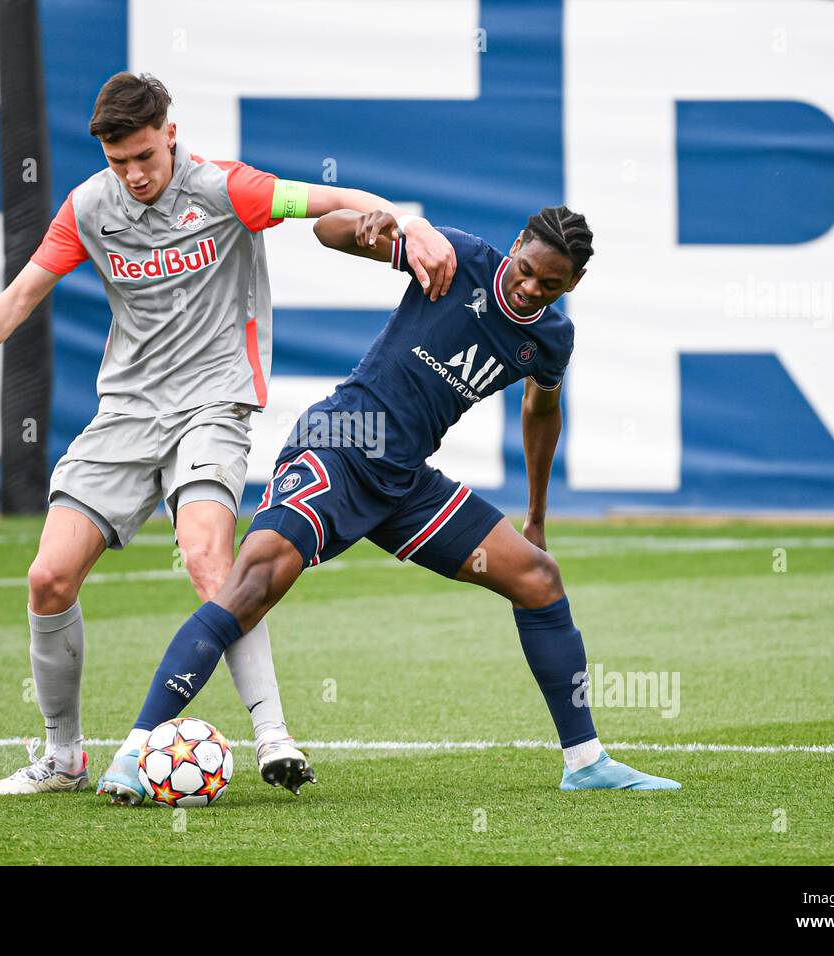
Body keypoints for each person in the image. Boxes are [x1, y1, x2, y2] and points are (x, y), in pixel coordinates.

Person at [0, 72, 457, 802]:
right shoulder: (88, 208)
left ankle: (273, 734)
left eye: (144, 155)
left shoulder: (227, 190)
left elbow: (332, 201)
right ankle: (64, 757)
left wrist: (407, 223)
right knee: (47, 578)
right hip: (127, 414)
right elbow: (20, 296)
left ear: (170, 134)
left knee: (210, 558)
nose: (135, 175)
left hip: (213, 405)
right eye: (120, 162)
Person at [108, 205, 682, 798]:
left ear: (573, 285)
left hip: (404, 480)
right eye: (528, 269)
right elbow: (325, 232)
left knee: (538, 578)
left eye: (551, 284)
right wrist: (368, 224)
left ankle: (585, 762)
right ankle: (132, 753)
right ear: (516, 245)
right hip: (339, 444)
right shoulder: (454, 259)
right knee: (250, 585)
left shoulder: (550, 339)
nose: (531, 286)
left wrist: (535, 515)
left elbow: (542, 412)